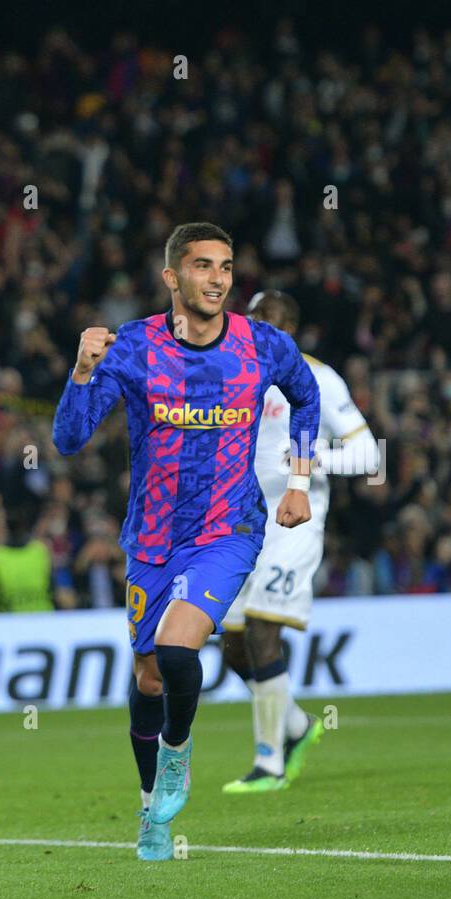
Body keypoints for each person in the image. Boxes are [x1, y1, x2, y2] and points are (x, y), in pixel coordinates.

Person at [51, 222, 319, 860]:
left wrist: (299, 480)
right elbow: (68, 438)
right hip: (151, 536)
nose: (218, 279)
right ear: (173, 277)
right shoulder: (136, 347)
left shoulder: (263, 344)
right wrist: (82, 371)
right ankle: (150, 812)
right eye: (203, 266)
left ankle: (177, 756)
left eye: (226, 267)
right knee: (147, 676)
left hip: (229, 530)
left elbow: (305, 398)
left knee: (176, 651)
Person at [220, 290, 380, 793]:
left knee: (265, 628)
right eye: (253, 319)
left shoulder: (318, 377)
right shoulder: (232, 373)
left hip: (295, 521)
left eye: (270, 321)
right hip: (241, 524)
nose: (259, 327)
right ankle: (294, 725)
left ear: (289, 328)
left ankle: (269, 763)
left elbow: (367, 455)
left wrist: (308, 464)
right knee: (232, 645)